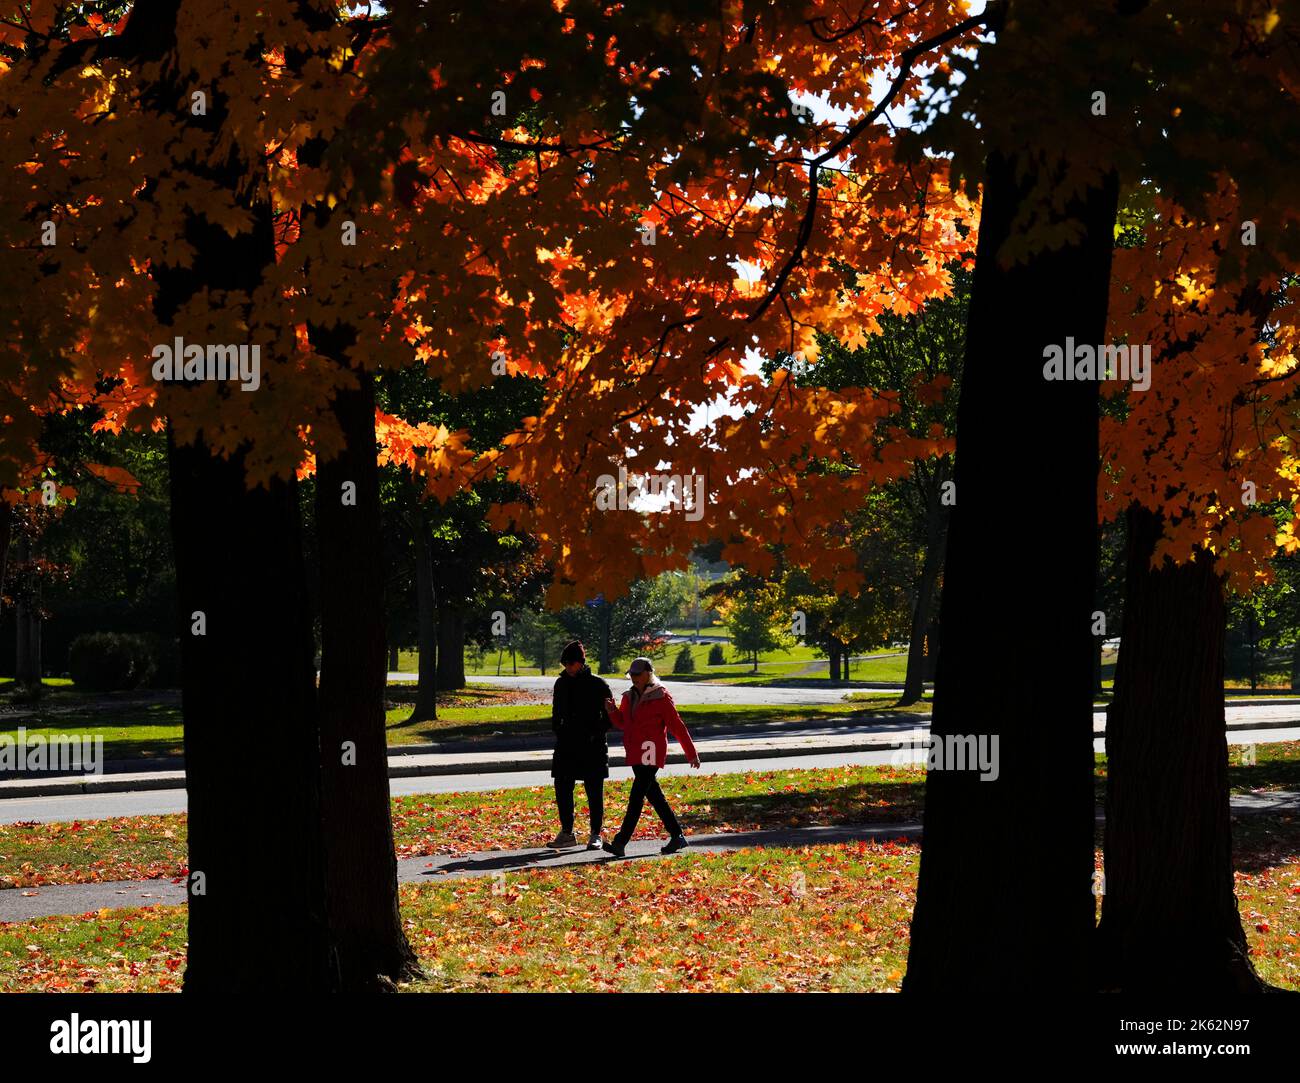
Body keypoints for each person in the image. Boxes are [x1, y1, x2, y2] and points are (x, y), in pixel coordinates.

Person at [601, 657, 700, 857]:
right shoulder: (628, 696)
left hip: (650, 750)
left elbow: (677, 726)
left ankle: (620, 842)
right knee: (654, 796)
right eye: (632, 675)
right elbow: (623, 723)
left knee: (636, 797)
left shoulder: (661, 696)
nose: (634, 678)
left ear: (649, 673)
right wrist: (612, 712)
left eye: (638, 674)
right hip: (635, 750)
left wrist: (691, 754)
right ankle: (677, 836)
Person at [546, 640, 614, 850]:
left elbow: (610, 717)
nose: (568, 668)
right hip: (566, 744)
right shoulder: (561, 684)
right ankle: (567, 831)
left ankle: (595, 833)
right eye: (565, 664)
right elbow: (557, 713)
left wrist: (595, 733)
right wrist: (559, 729)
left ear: (580, 663)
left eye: (571, 664)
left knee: (594, 789)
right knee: (562, 786)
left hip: (592, 745)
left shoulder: (598, 684)